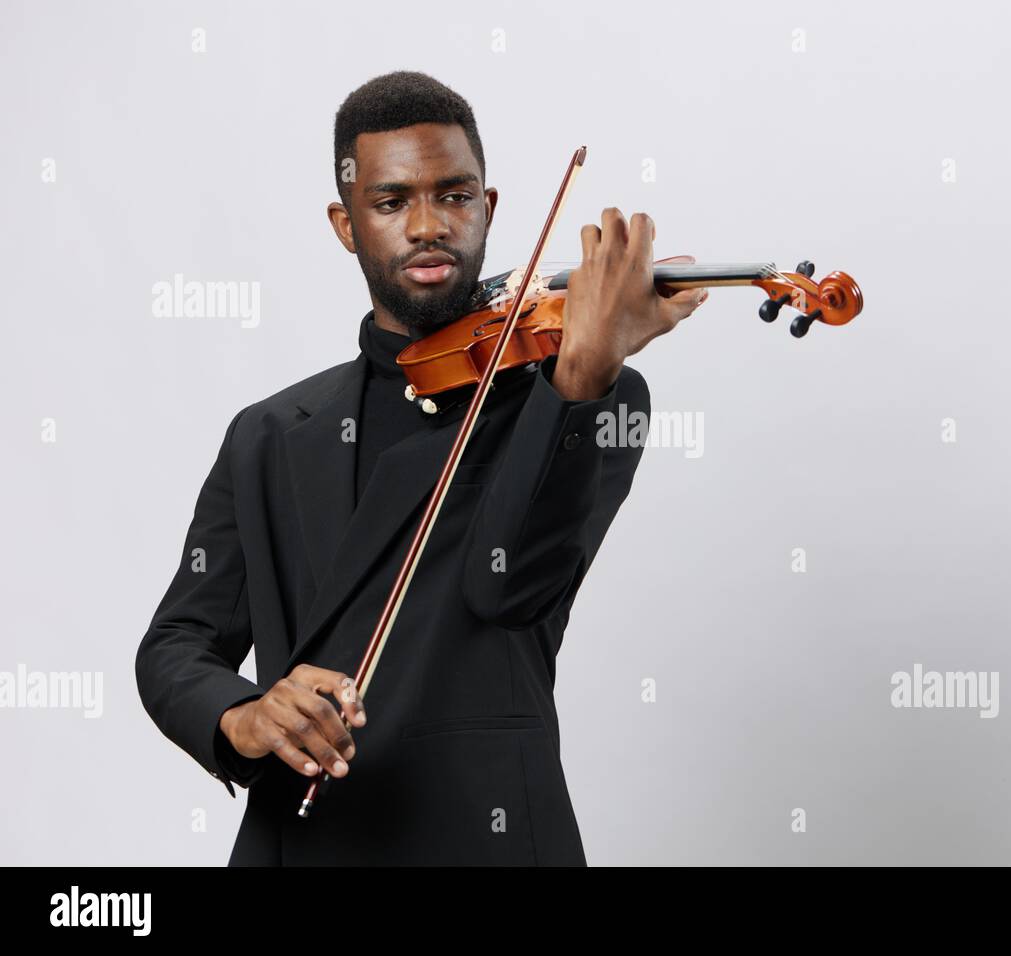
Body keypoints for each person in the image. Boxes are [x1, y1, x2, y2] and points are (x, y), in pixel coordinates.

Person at [135, 70, 708, 865]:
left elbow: (508, 588)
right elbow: (175, 644)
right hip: (302, 841)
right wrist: (243, 715)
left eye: (455, 195)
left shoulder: (586, 399)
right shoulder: (269, 433)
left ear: (490, 208)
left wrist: (582, 373)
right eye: (392, 201)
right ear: (346, 224)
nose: (429, 225)